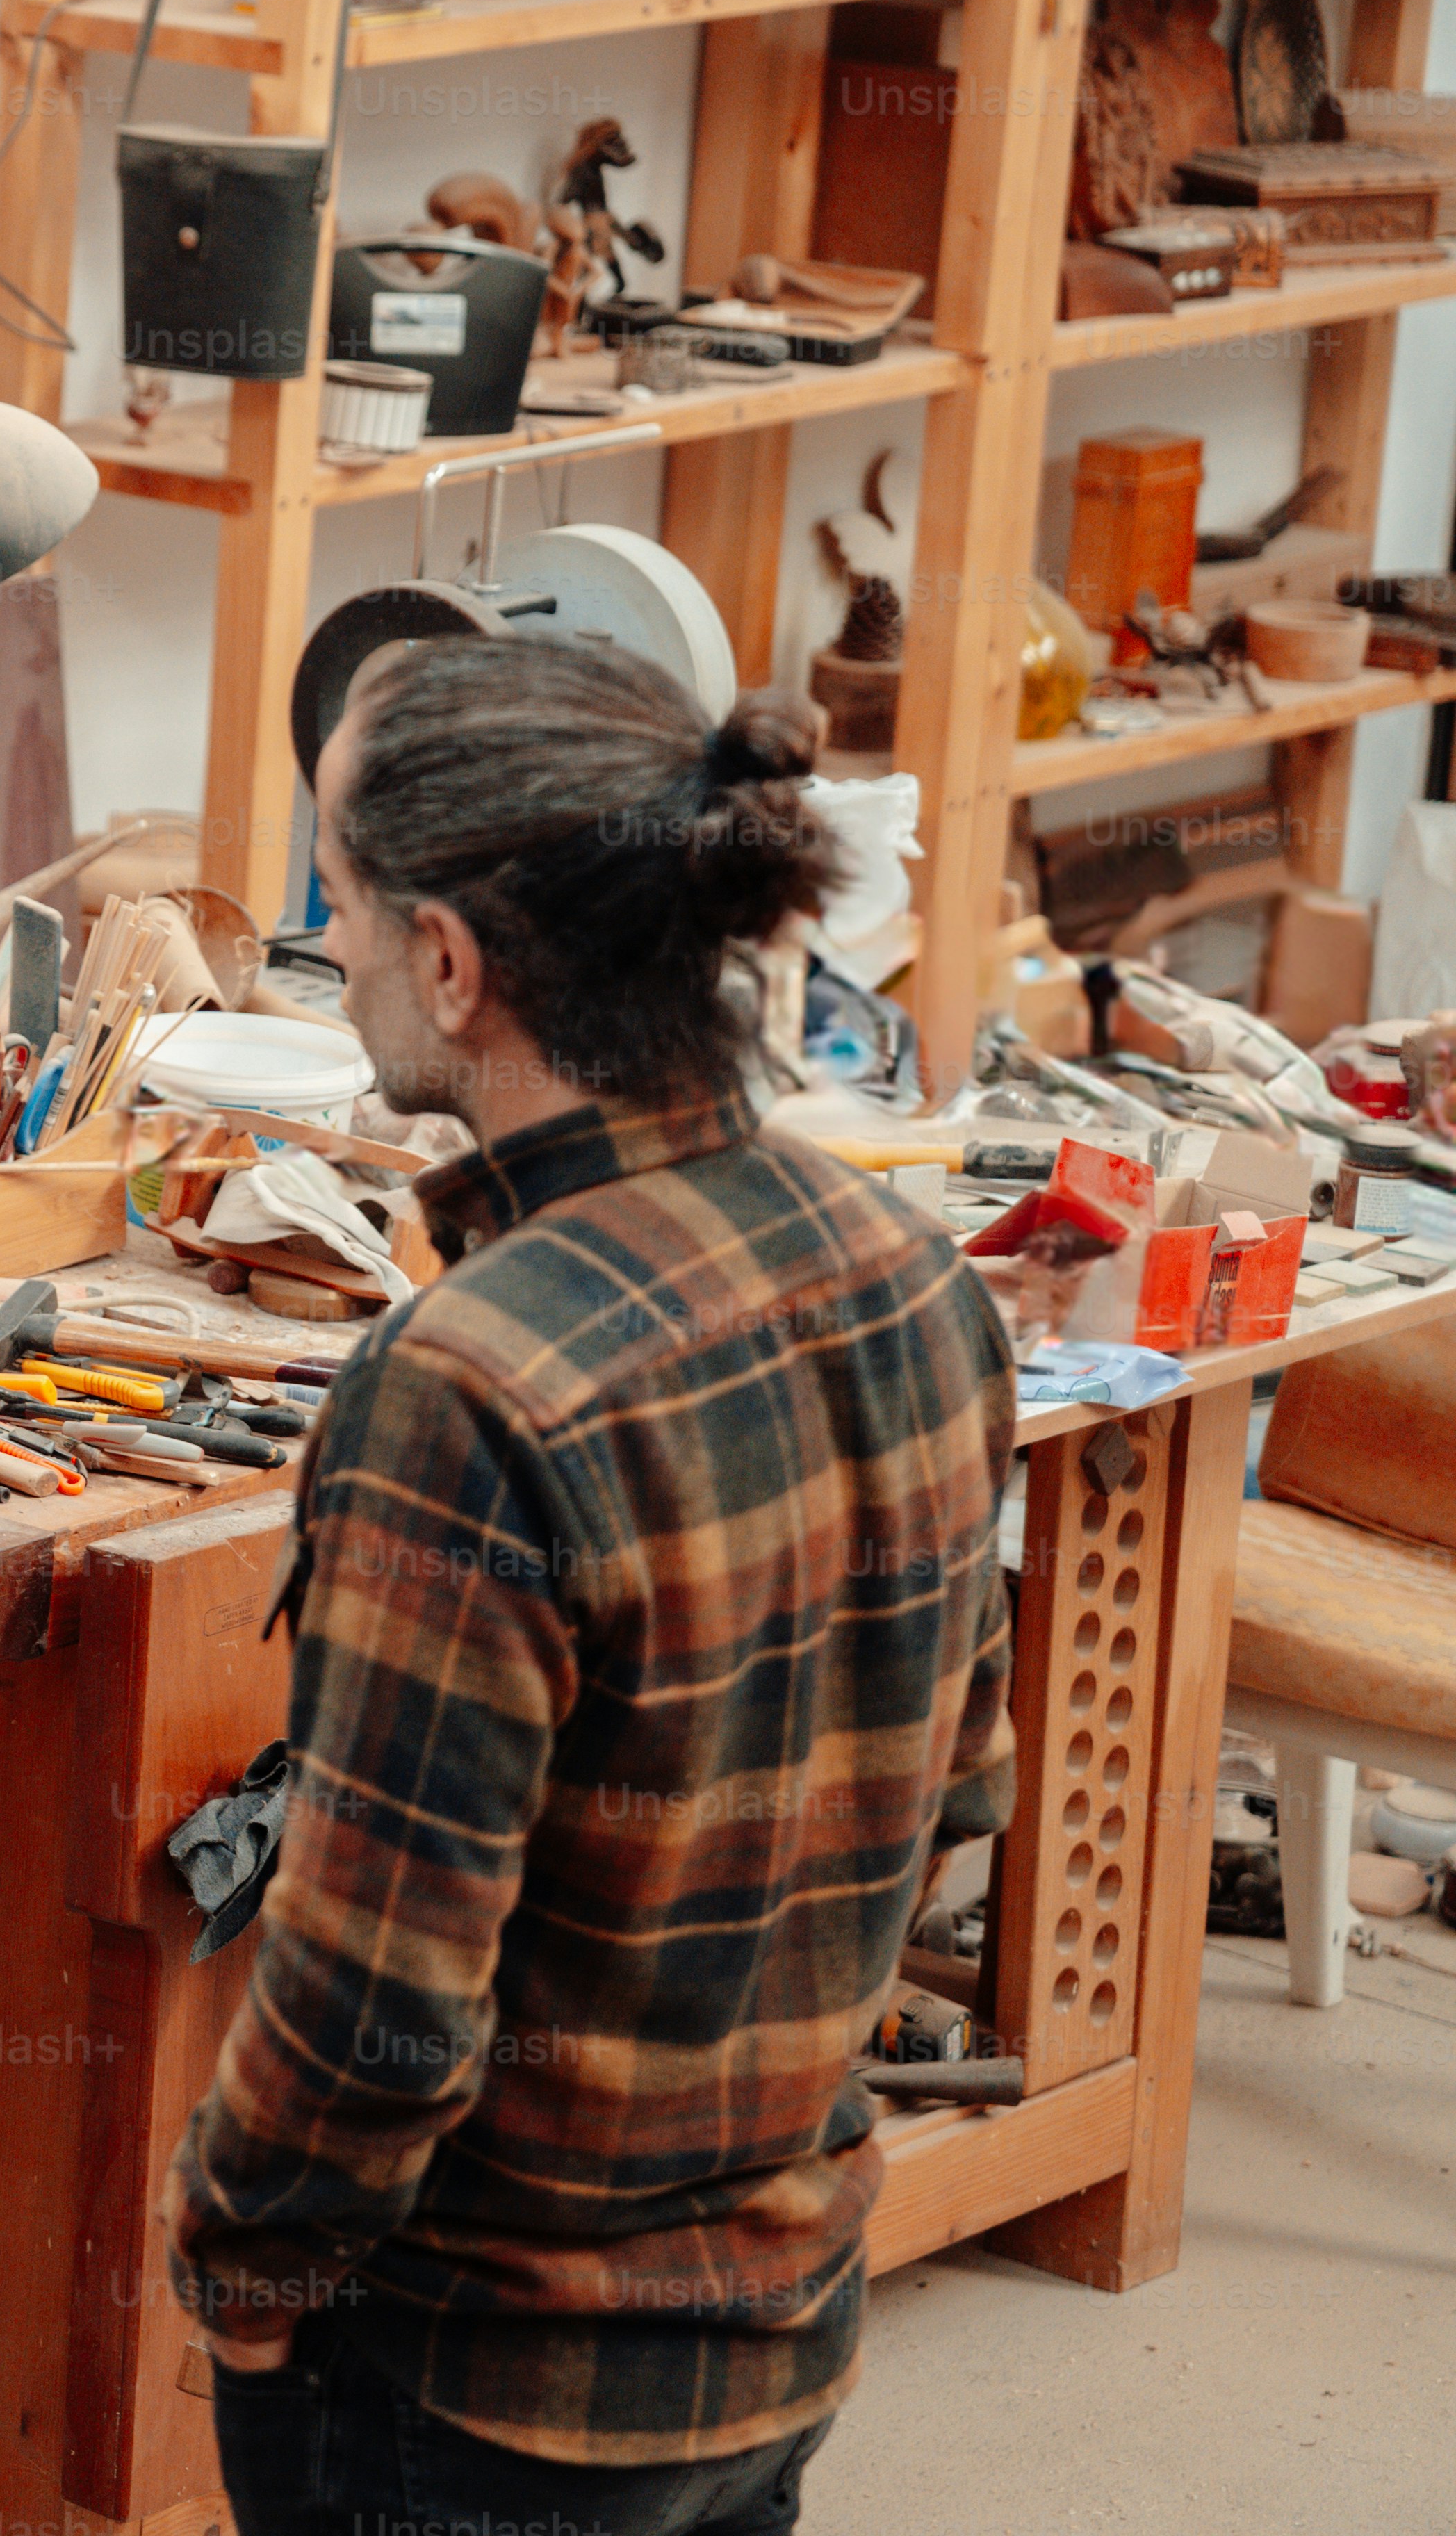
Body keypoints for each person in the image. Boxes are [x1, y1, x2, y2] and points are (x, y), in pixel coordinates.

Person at [170, 637, 1017, 2536]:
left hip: (473, 2393)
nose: (338, 942)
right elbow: (960, 1794)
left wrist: (242, 2282)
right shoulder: (917, 1278)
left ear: (455, 963)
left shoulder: (472, 1385)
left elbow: (376, 2006)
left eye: (344, 898)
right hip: (774, 2339)